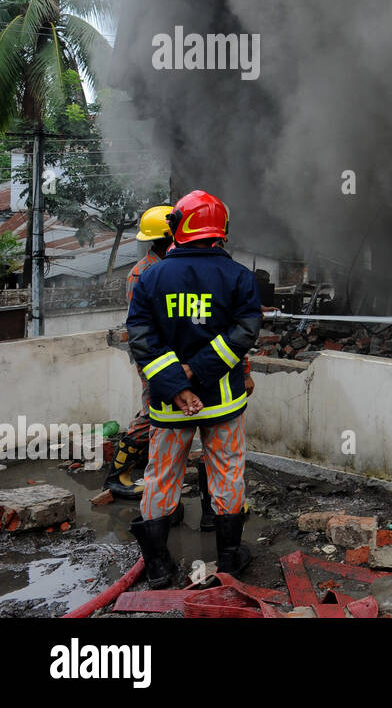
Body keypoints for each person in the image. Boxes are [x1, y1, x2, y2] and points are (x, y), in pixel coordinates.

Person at [125, 190, 262, 588]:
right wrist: (199, 372)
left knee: (161, 478)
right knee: (227, 476)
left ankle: (159, 568)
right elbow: (244, 334)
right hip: (222, 402)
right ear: (222, 230)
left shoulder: (150, 277)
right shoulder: (239, 277)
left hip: (169, 407)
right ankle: (231, 558)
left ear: (177, 227)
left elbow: (141, 338)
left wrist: (176, 384)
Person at [104, 206, 172, 499]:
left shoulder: (155, 267)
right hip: (153, 353)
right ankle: (115, 476)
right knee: (150, 412)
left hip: (158, 351)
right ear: (169, 237)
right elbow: (146, 323)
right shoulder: (145, 272)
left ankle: (134, 467)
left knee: (153, 408)